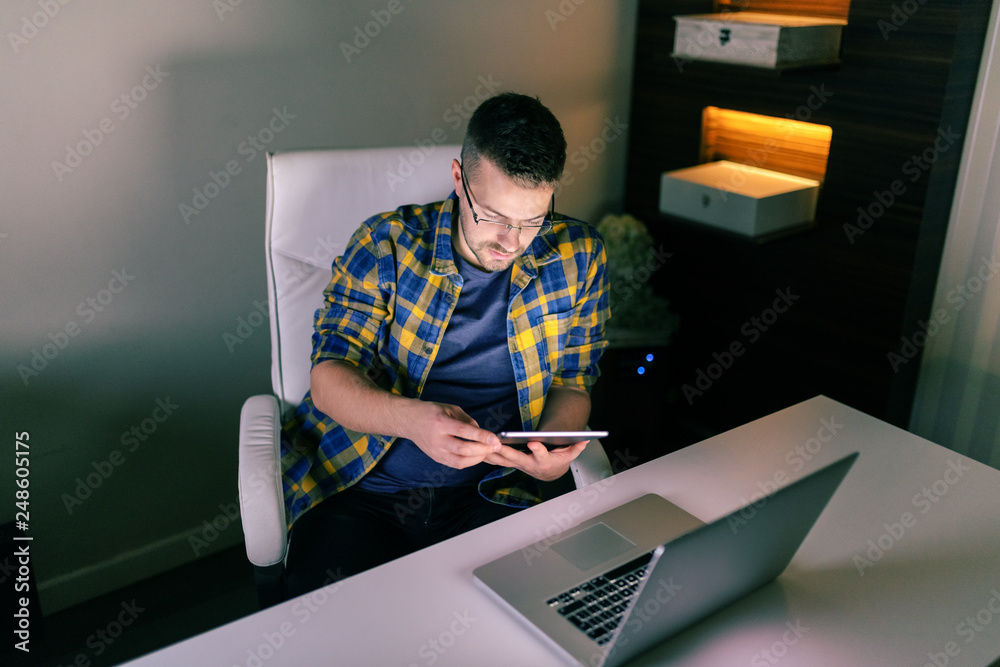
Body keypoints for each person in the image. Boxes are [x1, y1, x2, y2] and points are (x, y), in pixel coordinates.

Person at [279, 92, 610, 597]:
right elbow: (329, 379)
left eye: (532, 220)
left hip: (495, 493)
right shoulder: (385, 244)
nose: (510, 241)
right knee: (326, 633)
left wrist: (554, 446)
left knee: (541, 620)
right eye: (494, 215)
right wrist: (415, 421)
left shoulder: (580, 254)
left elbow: (573, 381)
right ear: (459, 179)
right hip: (364, 488)